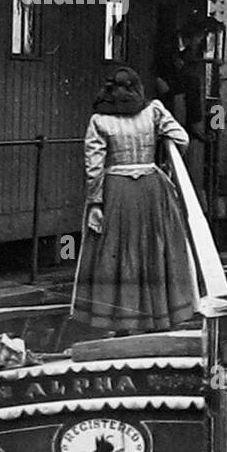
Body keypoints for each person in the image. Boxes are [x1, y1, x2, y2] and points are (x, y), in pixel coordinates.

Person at [72, 66, 198, 333]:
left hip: (116, 189)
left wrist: (95, 202)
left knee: (115, 252)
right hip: (152, 187)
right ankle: (159, 316)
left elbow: (94, 169)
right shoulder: (153, 111)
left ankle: (117, 320)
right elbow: (181, 137)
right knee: (154, 248)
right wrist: (161, 163)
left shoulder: (99, 121)